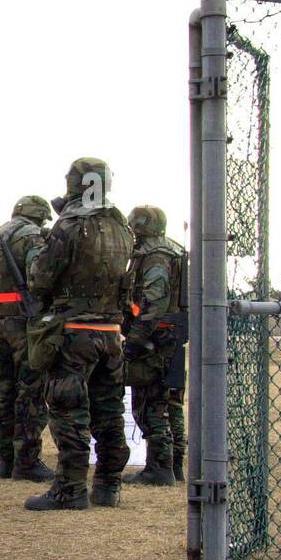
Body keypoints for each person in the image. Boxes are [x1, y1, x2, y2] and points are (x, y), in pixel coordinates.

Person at [25, 158, 133, 511]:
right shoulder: (123, 226)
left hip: (74, 332)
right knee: (109, 409)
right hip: (112, 332)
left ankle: (70, 489)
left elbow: (40, 277)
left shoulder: (68, 226)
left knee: (69, 409)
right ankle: (108, 485)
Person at [0, 196, 55, 481]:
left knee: (4, 392)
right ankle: (27, 460)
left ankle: (5, 460)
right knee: (31, 391)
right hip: (25, 322)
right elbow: (39, 276)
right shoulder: (32, 236)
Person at [122, 205, 188, 486]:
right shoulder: (174, 249)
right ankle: (173, 464)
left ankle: (159, 468)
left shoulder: (155, 256)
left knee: (150, 401)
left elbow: (154, 299)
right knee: (169, 400)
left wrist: (136, 338)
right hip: (170, 335)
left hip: (155, 338)